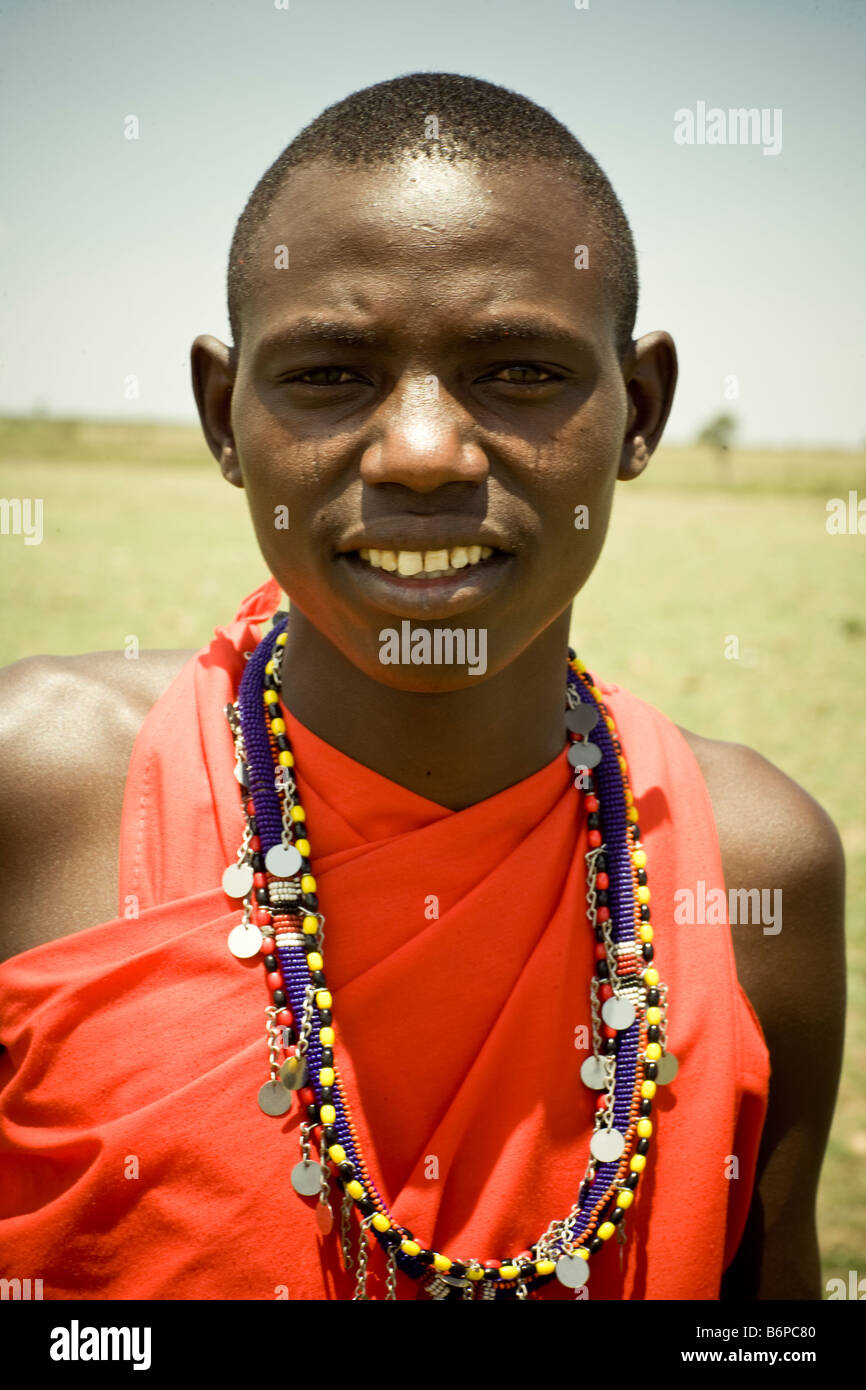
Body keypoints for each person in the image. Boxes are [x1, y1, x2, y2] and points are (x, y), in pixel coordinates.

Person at [0, 72, 845, 1302]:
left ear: (640, 412)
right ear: (221, 419)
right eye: (331, 375)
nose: (420, 451)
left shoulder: (752, 863)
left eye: (516, 372)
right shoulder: (40, 785)